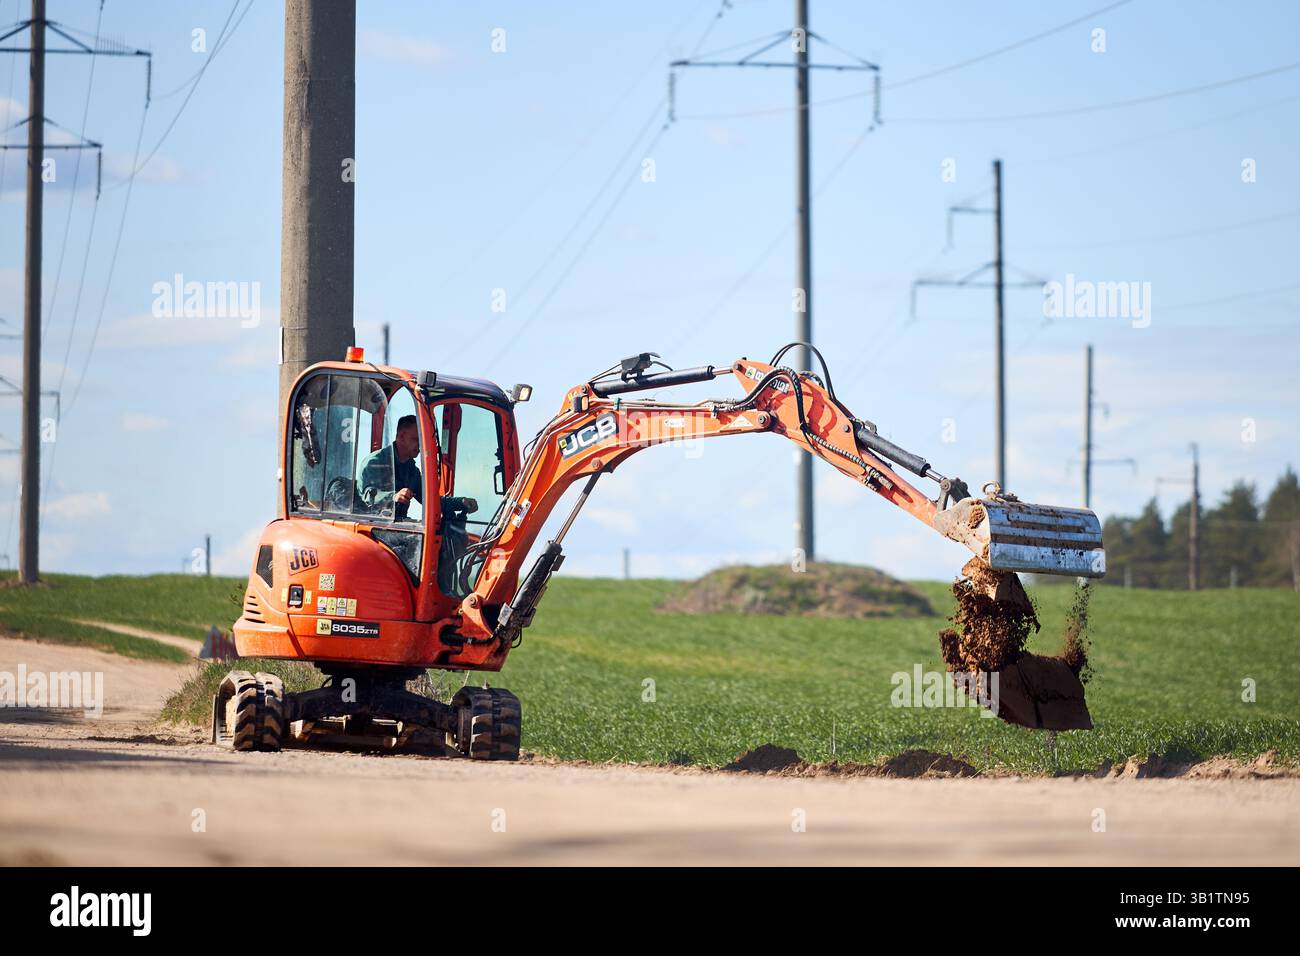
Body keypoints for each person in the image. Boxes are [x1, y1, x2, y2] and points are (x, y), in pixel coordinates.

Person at [360, 414, 423, 519]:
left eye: (421, 440)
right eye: (416, 439)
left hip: (397, 527)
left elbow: (429, 500)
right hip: (371, 524)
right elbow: (368, 495)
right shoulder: (375, 462)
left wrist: (459, 502)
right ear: (401, 437)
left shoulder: (412, 471)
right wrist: (393, 496)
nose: (420, 444)